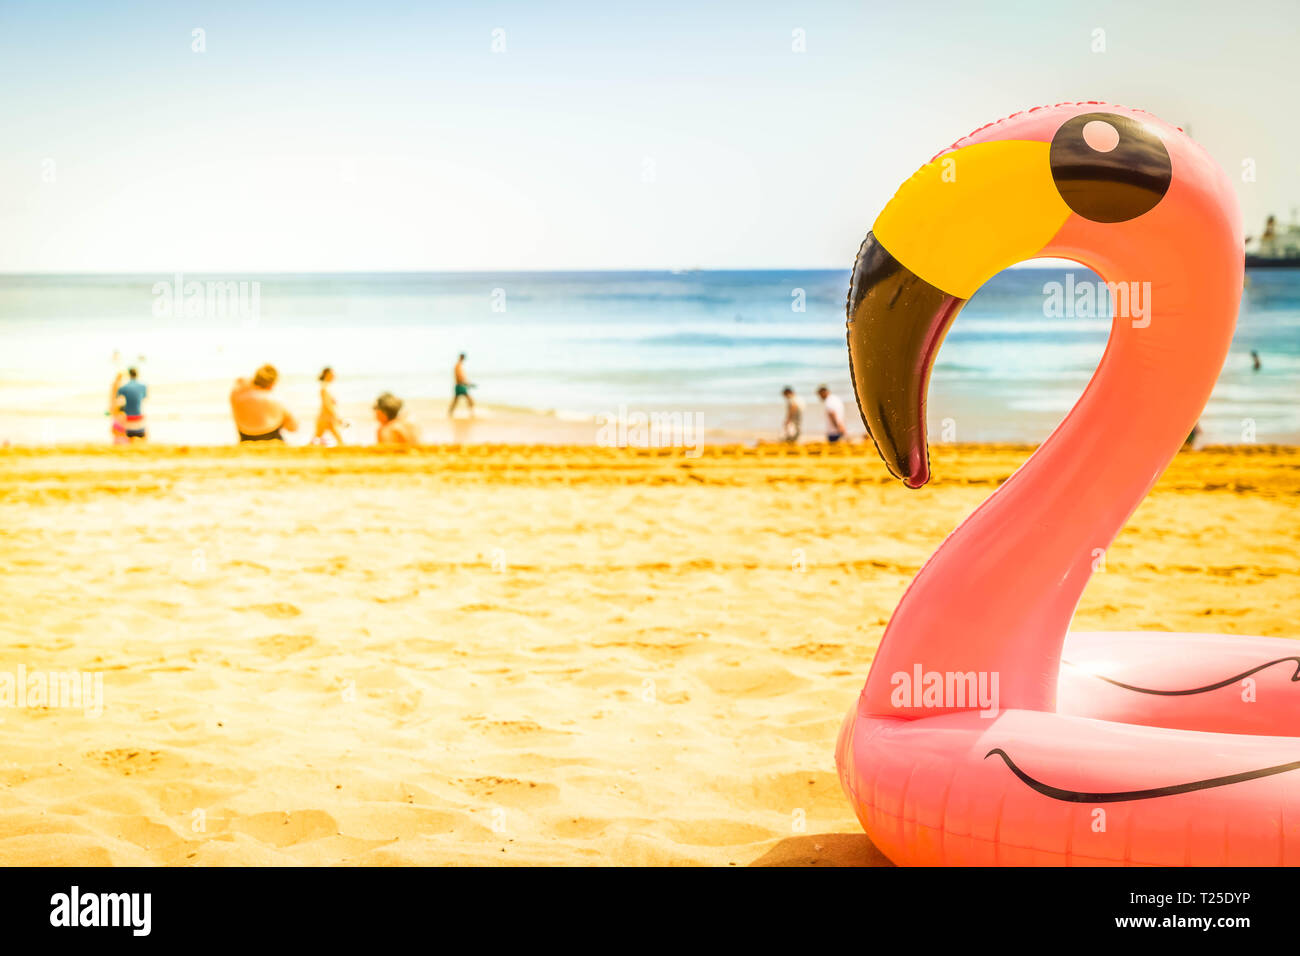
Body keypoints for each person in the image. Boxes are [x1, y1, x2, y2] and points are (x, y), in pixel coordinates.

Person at [231, 364, 298, 443]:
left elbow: (241, 381)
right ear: (272, 385)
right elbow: (293, 428)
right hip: (272, 439)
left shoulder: (236, 393)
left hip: (245, 438)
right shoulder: (275, 401)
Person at [314, 367, 344, 445]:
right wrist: (337, 417)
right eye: (332, 374)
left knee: (316, 438)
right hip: (326, 418)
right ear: (327, 375)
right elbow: (327, 405)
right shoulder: (325, 388)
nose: (334, 376)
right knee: (339, 439)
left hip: (325, 418)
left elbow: (327, 404)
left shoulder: (326, 387)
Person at [116, 367, 148, 440]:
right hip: (139, 417)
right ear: (137, 374)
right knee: (144, 434)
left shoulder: (124, 387)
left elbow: (117, 398)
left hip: (128, 419)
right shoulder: (143, 386)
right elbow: (144, 397)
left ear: (129, 375)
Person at [449, 353, 475, 418]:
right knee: (470, 400)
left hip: (459, 385)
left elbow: (461, 377)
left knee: (455, 401)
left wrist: (467, 383)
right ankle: (472, 414)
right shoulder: (458, 366)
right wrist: (466, 383)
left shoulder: (458, 365)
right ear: (462, 358)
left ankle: (450, 413)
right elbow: (460, 377)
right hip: (460, 386)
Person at [109, 371, 130, 445]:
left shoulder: (116, 383)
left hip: (116, 404)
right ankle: (121, 438)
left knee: (117, 420)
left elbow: (112, 396)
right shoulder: (119, 384)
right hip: (119, 404)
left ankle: (118, 438)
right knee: (121, 421)